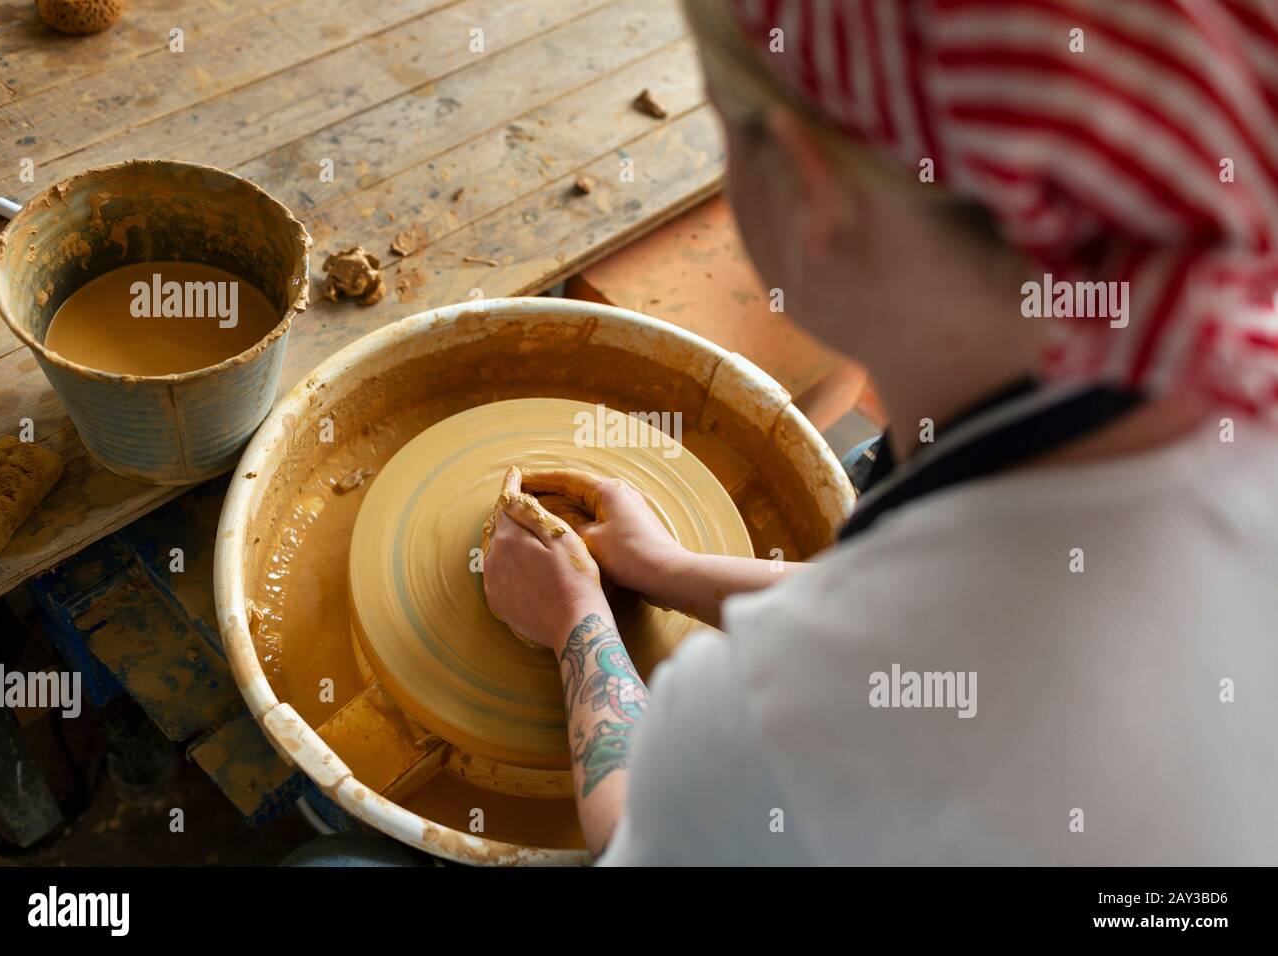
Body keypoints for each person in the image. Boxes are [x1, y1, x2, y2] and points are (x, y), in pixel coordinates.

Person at [482, 0, 1278, 864]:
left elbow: (635, 832)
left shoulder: (807, 722)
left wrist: (574, 620)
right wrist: (667, 571)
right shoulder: (1219, 358)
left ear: (807, 186)